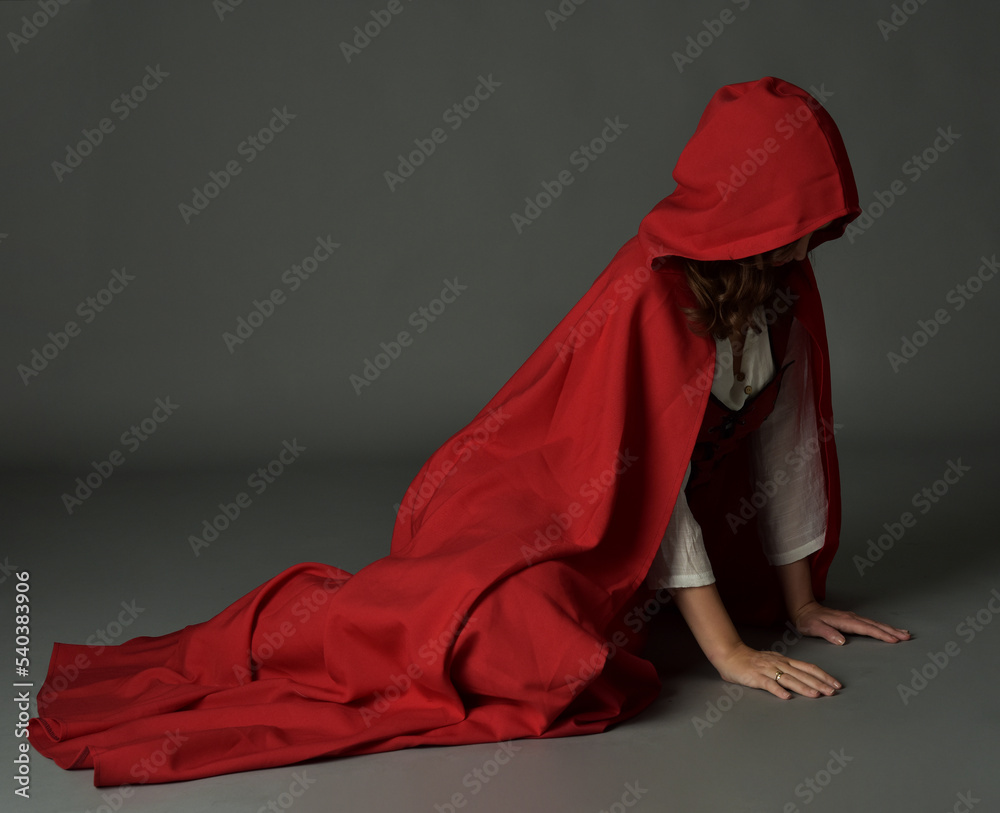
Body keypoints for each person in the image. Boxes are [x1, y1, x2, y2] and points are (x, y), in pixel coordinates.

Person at [28, 76, 909, 787]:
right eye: (797, 222)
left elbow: (786, 445)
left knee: (573, 654)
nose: (812, 244)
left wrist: (797, 602)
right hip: (529, 506)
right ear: (747, 214)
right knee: (521, 648)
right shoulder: (652, 295)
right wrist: (725, 650)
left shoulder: (786, 290)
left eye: (816, 224)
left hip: (615, 536)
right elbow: (654, 479)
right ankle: (301, 629)